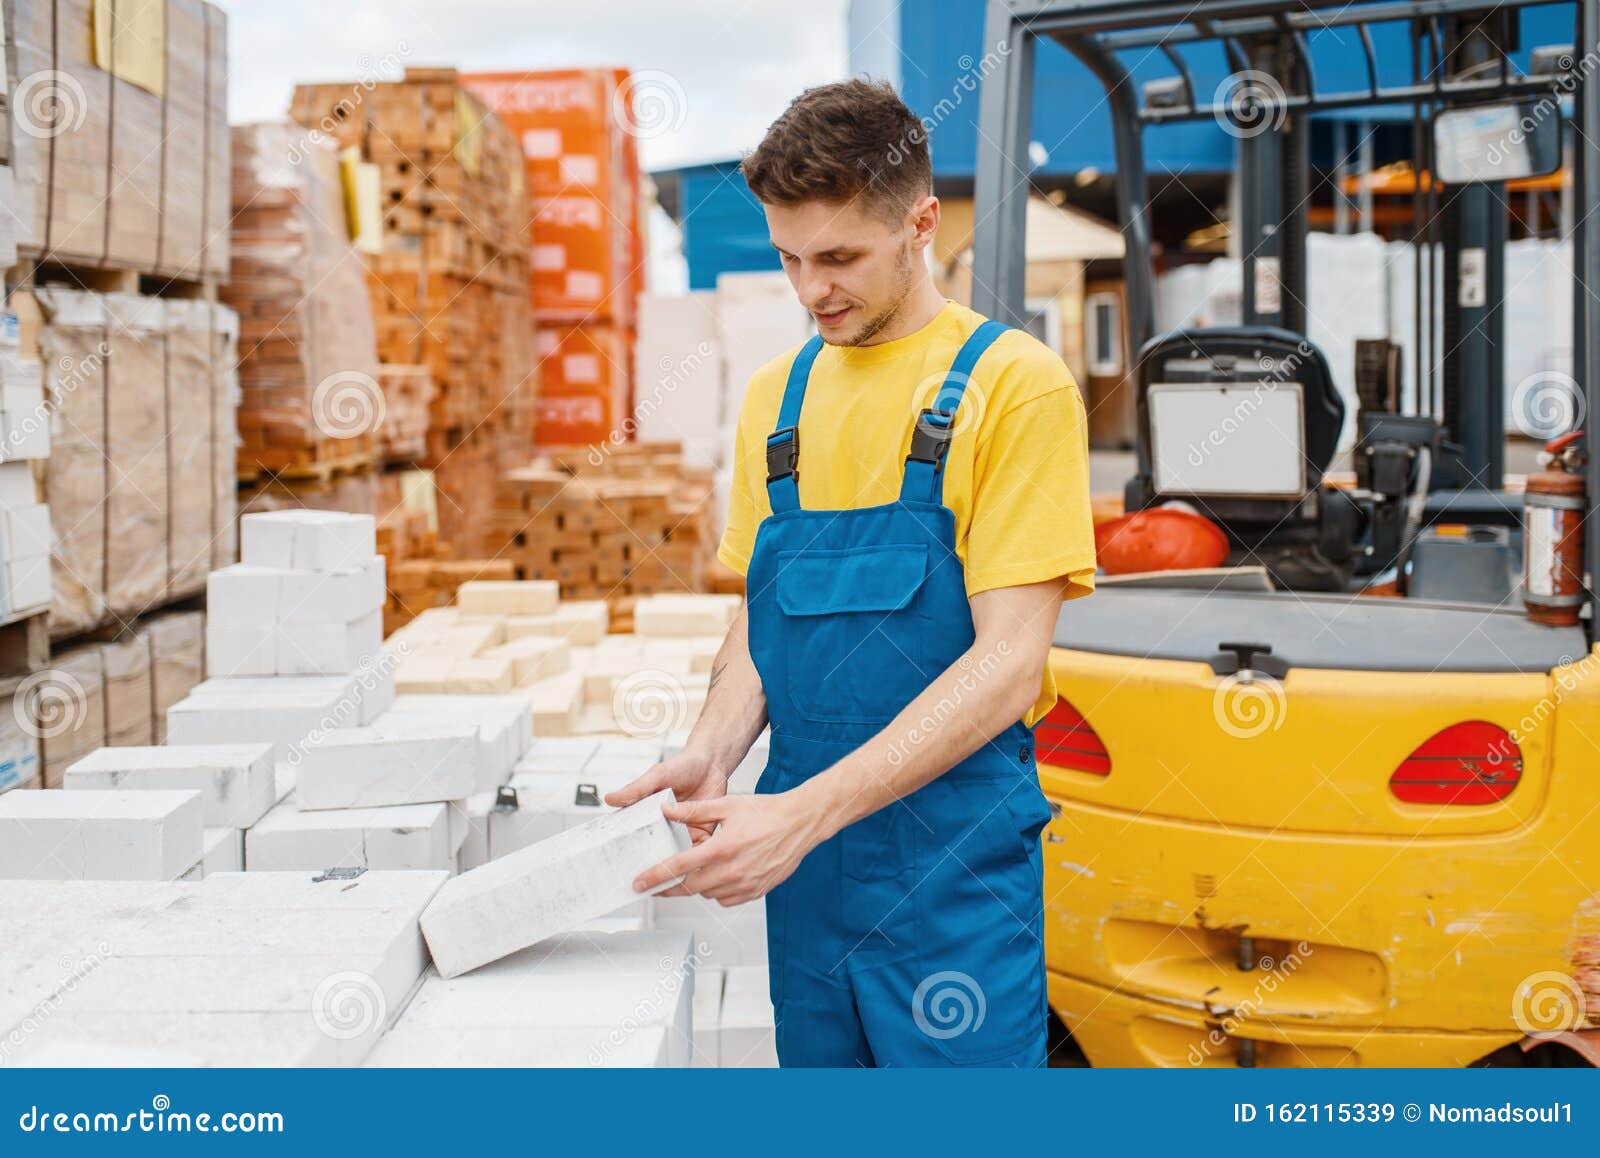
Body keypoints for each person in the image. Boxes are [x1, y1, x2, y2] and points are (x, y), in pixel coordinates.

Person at [608, 78, 1096, 1067]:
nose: (809, 289)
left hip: (950, 875)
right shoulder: (775, 400)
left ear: (920, 224)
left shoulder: (1012, 387)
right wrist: (714, 747)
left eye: (838, 257)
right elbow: (762, 622)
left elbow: (1008, 666)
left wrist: (801, 812)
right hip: (810, 880)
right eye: (788, 257)